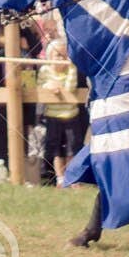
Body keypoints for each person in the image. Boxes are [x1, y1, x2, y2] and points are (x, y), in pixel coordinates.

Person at [39, 38, 84, 185]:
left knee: (72, 147)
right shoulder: (45, 70)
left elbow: (70, 88)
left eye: (64, 56)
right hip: (53, 115)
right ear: (50, 57)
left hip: (71, 115)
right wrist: (49, 85)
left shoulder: (71, 69)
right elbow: (41, 85)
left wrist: (70, 66)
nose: (61, 59)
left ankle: (72, 178)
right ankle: (59, 177)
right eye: (57, 55)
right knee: (56, 148)